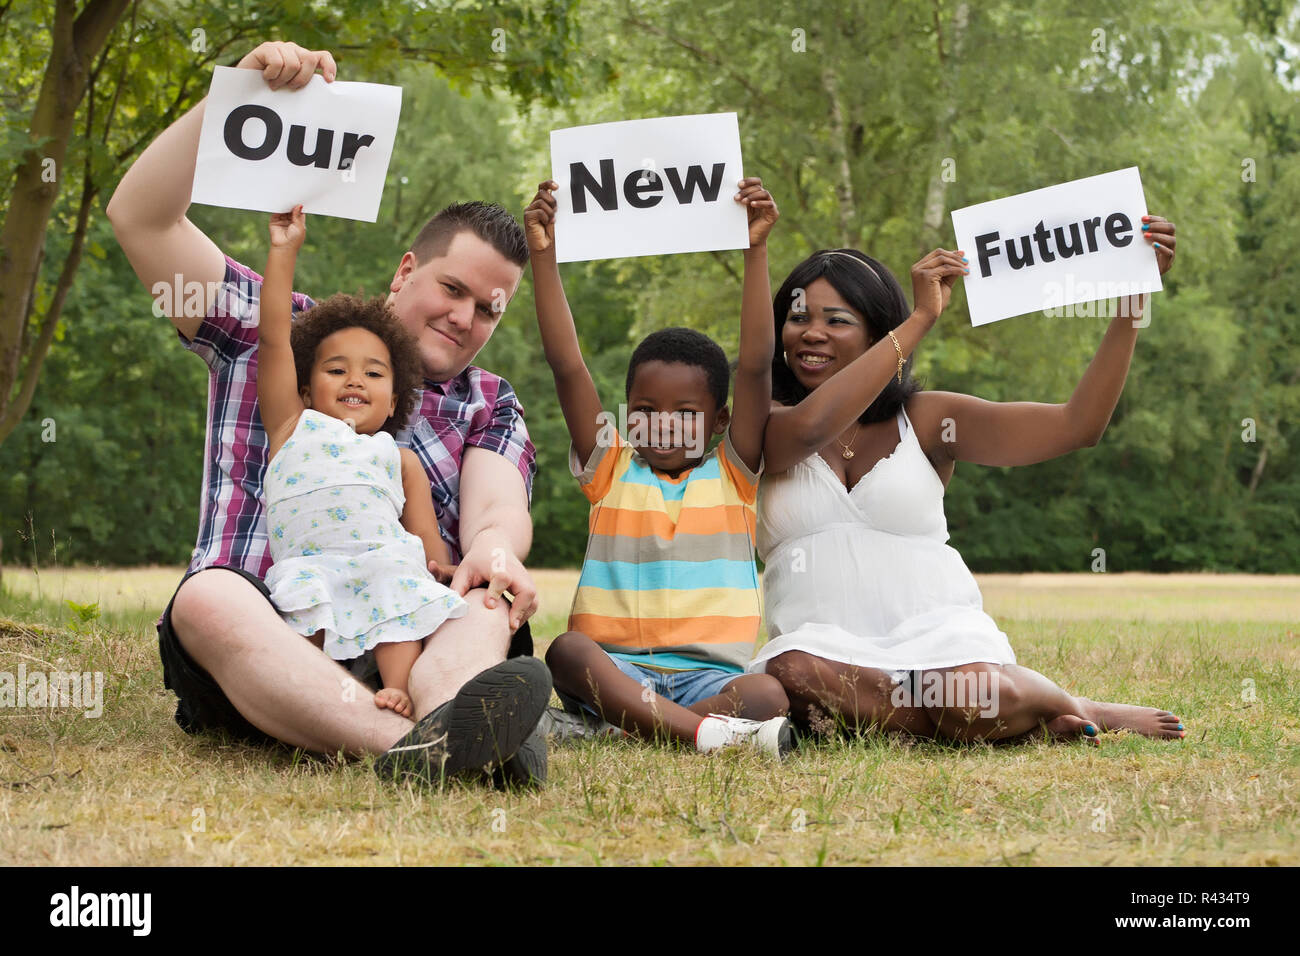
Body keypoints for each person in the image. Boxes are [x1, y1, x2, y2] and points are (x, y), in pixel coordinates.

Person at [105, 41, 551, 787]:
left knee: (488, 595)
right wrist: (238, 89)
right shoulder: (278, 332)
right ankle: (431, 747)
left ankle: (445, 720)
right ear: (407, 269)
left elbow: (495, 509)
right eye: (452, 288)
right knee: (209, 598)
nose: (465, 317)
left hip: (411, 641)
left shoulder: (488, 400)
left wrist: (496, 552)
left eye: (489, 309)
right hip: (270, 641)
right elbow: (141, 219)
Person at [752, 218, 1187, 744]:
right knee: (791, 674)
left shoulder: (930, 418)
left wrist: (1130, 308)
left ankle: (1058, 704)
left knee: (970, 693)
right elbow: (809, 428)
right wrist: (922, 318)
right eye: (797, 318)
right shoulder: (764, 422)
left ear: (875, 329)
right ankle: (991, 723)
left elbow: (1077, 426)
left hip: (939, 640)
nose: (811, 333)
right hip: (822, 648)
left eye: (836, 320)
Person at [525, 177, 794, 757]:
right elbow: (567, 366)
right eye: (645, 410)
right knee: (566, 651)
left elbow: (754, 368)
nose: (663, 424)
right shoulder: (612, 466)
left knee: (768, 693)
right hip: (613, 673)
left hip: (709, 680)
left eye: (685, 412)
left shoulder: (734, 473)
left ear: (720, 421)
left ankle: (629, 735)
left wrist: (756, 251)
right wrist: (544, 258)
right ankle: (698, 734)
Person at [258, 204, 467, 718]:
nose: (355, 380)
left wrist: (438, 573)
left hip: (380, 563)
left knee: (401, 585)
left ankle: (400, 686)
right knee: (303, 609)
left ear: (395, 401)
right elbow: (272, 339)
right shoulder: (292, 425)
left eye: (374, 374)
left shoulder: (398, 460)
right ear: (305, 389)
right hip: (310, 566)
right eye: (336, 370)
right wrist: (284, 252)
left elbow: (426, 549)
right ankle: (317, 694)